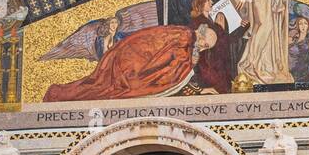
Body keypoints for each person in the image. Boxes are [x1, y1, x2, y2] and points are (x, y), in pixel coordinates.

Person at [43, 22, 226, 101]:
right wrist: (197, 87)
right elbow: (167, 70)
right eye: (205, 44)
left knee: (97, 88)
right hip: (131, 66)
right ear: (200, 35)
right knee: (104, 90)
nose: (202, 49)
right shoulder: (184, 37)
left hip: (127, 60)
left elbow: (165, 66)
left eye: (206, 48)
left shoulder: (183, 36)